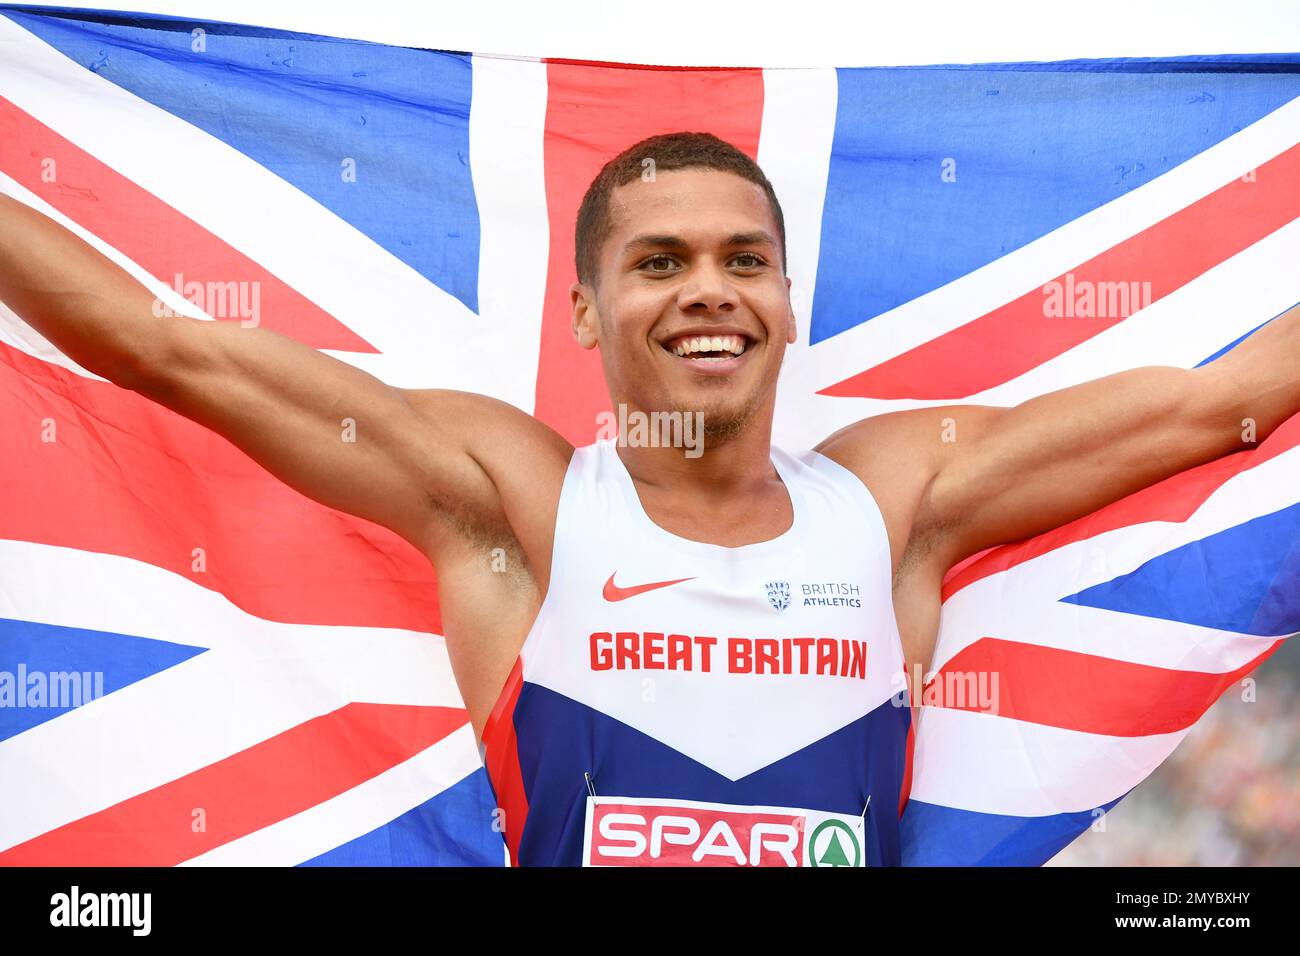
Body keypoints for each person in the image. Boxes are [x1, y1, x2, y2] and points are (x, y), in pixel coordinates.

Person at [1, 131, 1296, 867]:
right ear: (582, 310)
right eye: (658, 261)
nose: (709, 290)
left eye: (747, 261)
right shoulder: (512, 501)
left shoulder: (898, 498)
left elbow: (1213, 404)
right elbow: (167, 346)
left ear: (788, 301)